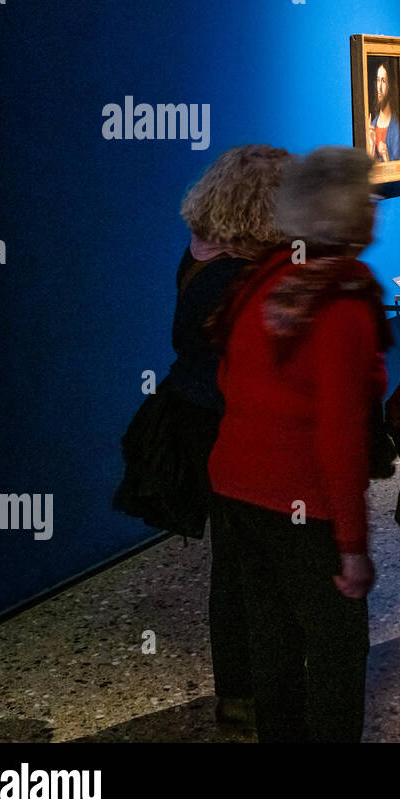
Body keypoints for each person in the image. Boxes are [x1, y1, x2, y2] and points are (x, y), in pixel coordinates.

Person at [208, 146, 388, 743]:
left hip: (237, 491)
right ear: (344, 211)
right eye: (365, 195)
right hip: (300, 503)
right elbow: (339, 434)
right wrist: (353, 548)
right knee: (338, 649)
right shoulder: (340, 303)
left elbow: (229, 380)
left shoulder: (267, 278)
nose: (375, 205)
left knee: (272, 639)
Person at [120, 143, 291, 733]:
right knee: (254, 561)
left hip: (196, 413)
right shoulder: (237, 277)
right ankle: (257, 688)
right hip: (231, 421)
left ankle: (239, 691)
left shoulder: (199, 254)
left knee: (234, 559)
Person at [366, 60, 400, 162]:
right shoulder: (373, 124)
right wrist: (372, 146)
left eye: (383, 81)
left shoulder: (397, 125)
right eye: (378, 80)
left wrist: (386, 157)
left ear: (390, 86)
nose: (379, 88)